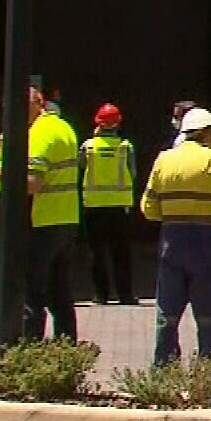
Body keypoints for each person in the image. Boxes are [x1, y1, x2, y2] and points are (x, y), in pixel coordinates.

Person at [141, 108, 211, 367]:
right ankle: (206, 369)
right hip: (207, 243)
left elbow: (148, 209)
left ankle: (163, 370)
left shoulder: (164, 160)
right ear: (206, 133)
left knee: (168, 312)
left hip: (172, 241)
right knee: (208, 313)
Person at [0, 85, 81, 341]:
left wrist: (2, 173)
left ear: (37, 104)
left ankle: (30, 349)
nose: (10, 113)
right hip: (66, 219)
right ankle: (66, 346)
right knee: (60, 294)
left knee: (32, 293)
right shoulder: (63, 127)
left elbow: (32, 182)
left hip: (42, 222)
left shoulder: (39, 134)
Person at [81, 103, 138, 305]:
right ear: (118, 123)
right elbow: (133, 174)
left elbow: (81, 171)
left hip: (94, 207)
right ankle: (125, 295)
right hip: (119, 208)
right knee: (121, 253)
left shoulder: (88, 147)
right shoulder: (126, 148)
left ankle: (100, 295)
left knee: (97, 253)